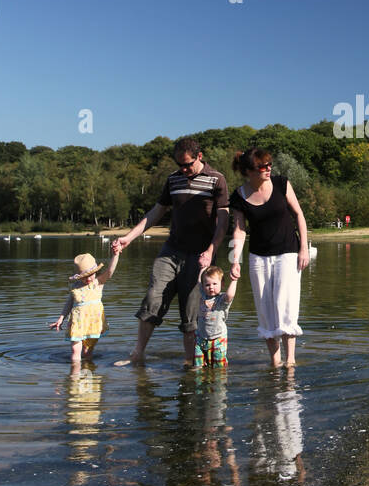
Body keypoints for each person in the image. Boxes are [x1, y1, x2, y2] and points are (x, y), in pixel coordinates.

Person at [112, 137, 229, 365]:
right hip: (171, 250)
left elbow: (223, 221)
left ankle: (190, 361)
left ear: (200, 156)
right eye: (179, 165)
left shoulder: (217, 180)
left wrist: (211, 250)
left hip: (200, 255)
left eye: (187, 164)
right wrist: (128, 238)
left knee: (191, 309)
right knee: (153, 297)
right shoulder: (173, 180)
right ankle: (137, 355)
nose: (183, 169)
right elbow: (156, 212)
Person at [229, 147, 309, 368]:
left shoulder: (282, 183)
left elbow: (299, 214)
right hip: (258, 256)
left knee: (286, 304)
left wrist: (304, 248)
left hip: (288, 251)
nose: (268, 168)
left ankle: (290, 361)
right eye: (262, 166)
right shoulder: (238, 196)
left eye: (268, 164)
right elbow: (239, 230)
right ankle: (275, 362)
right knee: (265, 309)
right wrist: (236, 260)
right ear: (248, 171)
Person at [51, 251, 119, 367]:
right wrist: (61, 318)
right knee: (75, 351)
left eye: (90, 275)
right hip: (77, 323)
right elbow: (69, 303)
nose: (88, 279)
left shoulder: (98, 283)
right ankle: (74, 377)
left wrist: (115, 255)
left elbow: (110, 271)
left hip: (93, 324)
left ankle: (88, 374)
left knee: (87, 353)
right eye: (84, 277)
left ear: (95, 272)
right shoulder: (75, 286)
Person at [194, 264, 237, 369]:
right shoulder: (203, 295)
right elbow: (199, 281)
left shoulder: (221, 300)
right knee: (197, 365)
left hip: (218, 339)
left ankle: (219, 383)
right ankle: (197, 382)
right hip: (201, 338)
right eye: (207, 285)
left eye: (214, 284)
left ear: (222, 284)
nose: (211, 287)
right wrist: (203, 267)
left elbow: (230, 295)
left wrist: (234, 280)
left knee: (219, 367)